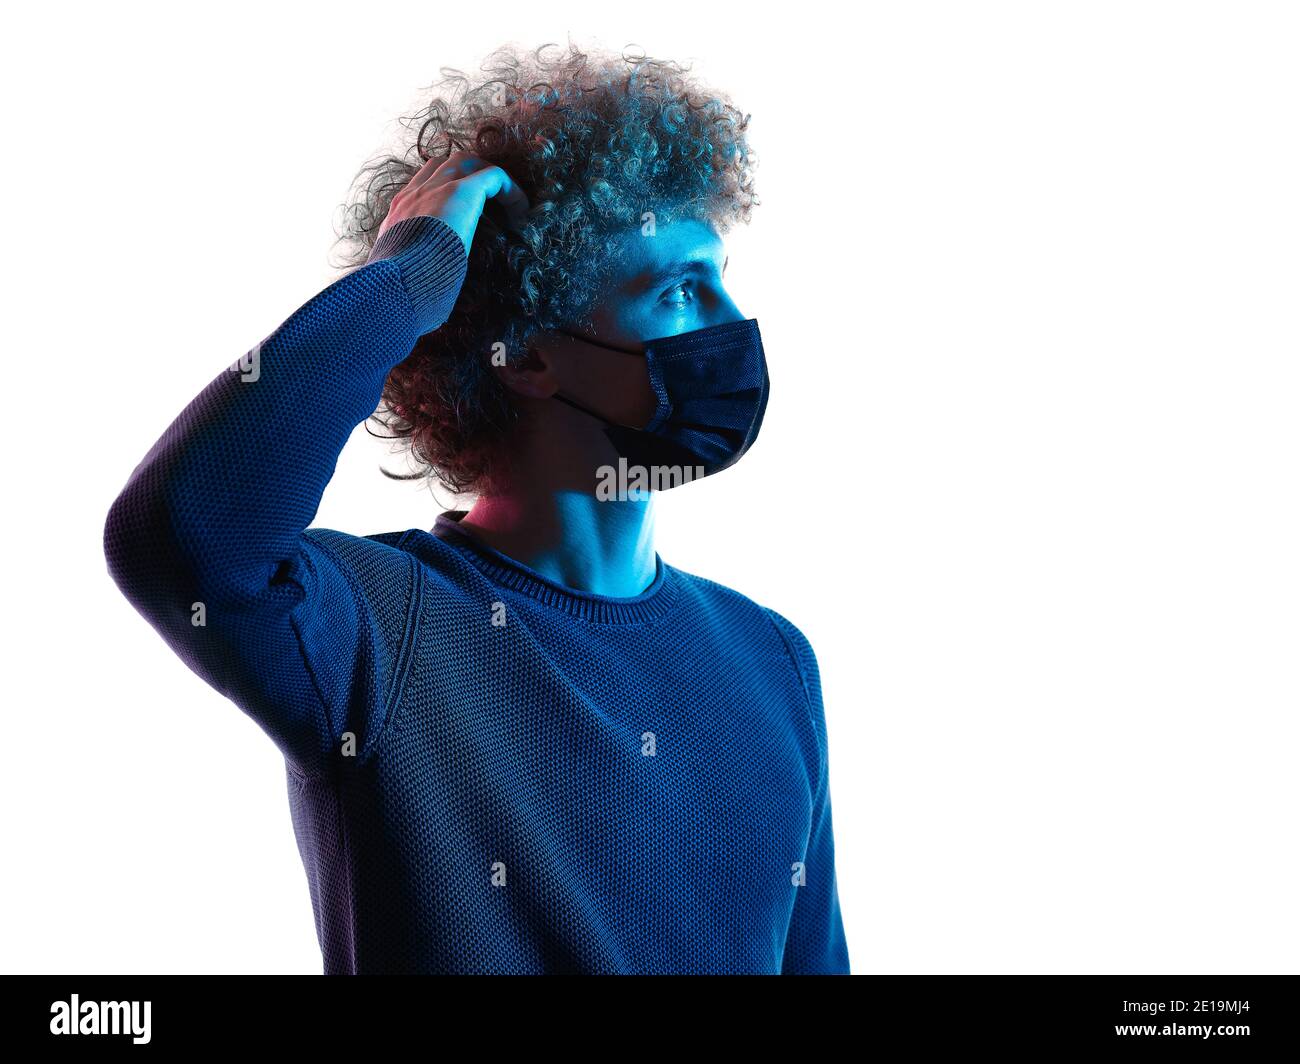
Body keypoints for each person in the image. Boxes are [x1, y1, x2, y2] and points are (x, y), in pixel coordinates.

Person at [103, 41, 849, 974]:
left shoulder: (773, 659)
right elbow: (184, 536)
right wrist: (409, 276)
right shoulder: (376, 632)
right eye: (680, 290)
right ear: (529, 355)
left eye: (722, 277)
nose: (731, 324)